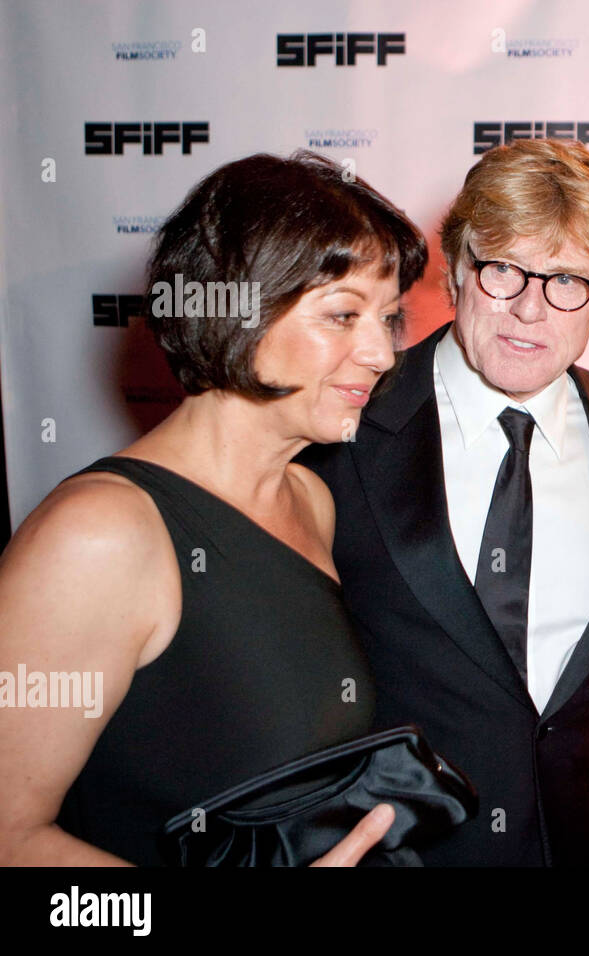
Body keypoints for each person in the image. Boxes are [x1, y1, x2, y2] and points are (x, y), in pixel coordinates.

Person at [0, 150, 428, 865]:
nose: (381, 353)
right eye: (343, 315)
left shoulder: (311, 499)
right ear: (238, 309)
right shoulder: (100, 534)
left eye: (387, 319)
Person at [299, 138, 589, 866]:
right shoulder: (343, 427)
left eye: (566, 281)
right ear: (458, 269)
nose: (531, 309)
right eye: (503, 271)